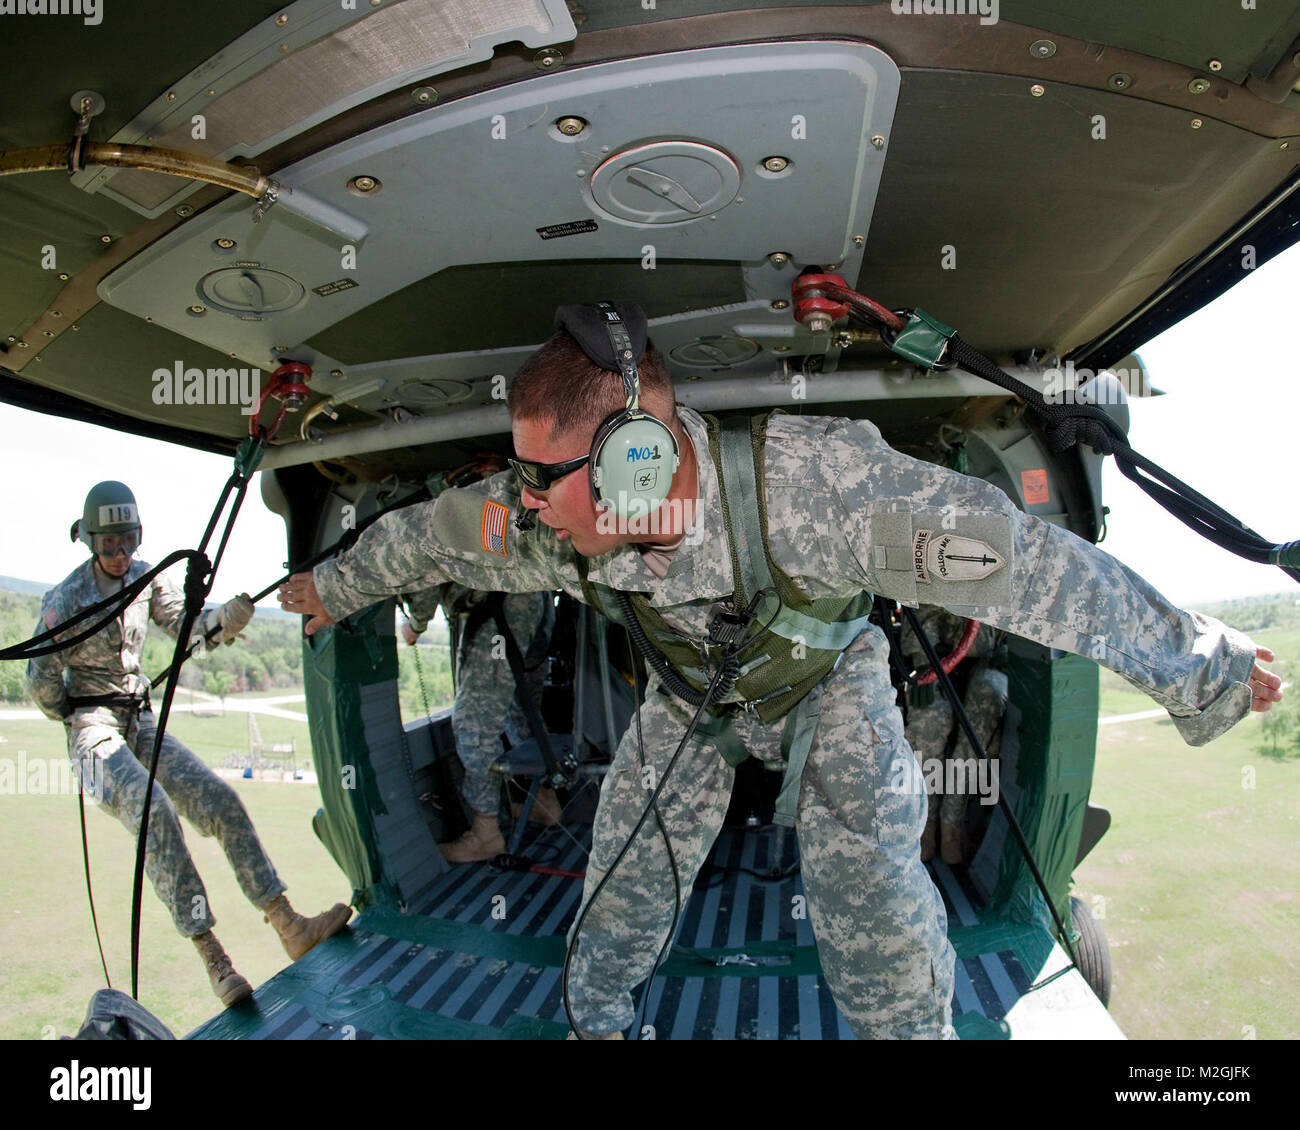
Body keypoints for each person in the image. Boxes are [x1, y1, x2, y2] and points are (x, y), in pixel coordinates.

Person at [277, 302, 1283, 1039]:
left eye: (543, 478)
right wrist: (329, 588)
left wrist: (1207, 667)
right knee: (621, 886)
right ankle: (597, 1027)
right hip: (688, 702)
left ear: (636, 460)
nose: (526, 500)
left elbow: (1030, 568)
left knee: (874, 905)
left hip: (829, 688)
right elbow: (432, 540)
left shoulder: (822, 487)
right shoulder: (556, 533)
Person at [28, 482, 353, 1007]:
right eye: (109, 544)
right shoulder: (64, 600)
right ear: (88, 541)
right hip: (92, 728)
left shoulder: (143, 577)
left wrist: (223, 621)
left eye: (128, 540)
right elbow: (40, 684)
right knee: (154, 810)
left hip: (137, 718)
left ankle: (288, 924)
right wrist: (77, 717)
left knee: (220, 801)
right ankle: (214, 957)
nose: (120, 554)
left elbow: (186, 632)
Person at [401, 583, 556, 862]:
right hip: (531, 600)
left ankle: (486, 834)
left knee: (474, 724)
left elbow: (424, 578)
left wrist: (416, 624)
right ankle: (545, 801)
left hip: (498, 607)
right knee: (518, 710)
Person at [900, 607, 1007, 864]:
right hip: (933, 654)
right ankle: (925, 824)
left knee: (988, 701)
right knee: (929, 721)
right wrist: (922, 658)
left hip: (990, 658)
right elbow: (918, 608)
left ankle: (952, 823)